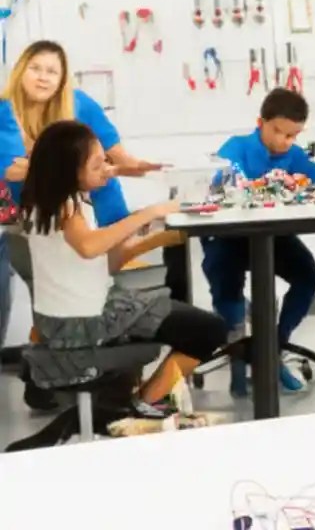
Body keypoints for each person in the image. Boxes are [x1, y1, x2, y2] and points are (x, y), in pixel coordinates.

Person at [0, 40, 167, 411]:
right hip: (36, 219)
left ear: (63, 79)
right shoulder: (5, 111)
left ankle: (85, 380)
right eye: (36, 68)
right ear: (21, 69)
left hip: (92, 210)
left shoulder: (78, 104)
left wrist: (139, 167)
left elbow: (116, 155)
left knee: (96, 290)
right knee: (53, 295)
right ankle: (50, 374)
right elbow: (11, 167)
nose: (43, 77)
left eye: (52, 71)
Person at [21, 120, 223, 410]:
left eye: (106, 159)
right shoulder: (66, 205)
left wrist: (157, 237)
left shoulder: (43, 203)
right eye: (97, 164)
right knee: (210, 330)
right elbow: (90, 247)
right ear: (69, 171)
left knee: (192, 323)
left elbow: (105, 264)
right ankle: (140, 405)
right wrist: (149, 213)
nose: (107, 168)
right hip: (85, 322)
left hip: (65, 318)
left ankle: (137, 403)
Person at [203, 88, 315, 396]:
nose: (284, 142)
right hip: (228, 238)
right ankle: (239, 359)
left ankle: (274, 347)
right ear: (260, 122)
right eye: (279, 132)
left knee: (308, 277)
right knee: (227, 290)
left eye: (293, 136)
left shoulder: (294, 156)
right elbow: (222, 185)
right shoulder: (234, 149)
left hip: (272, 236)